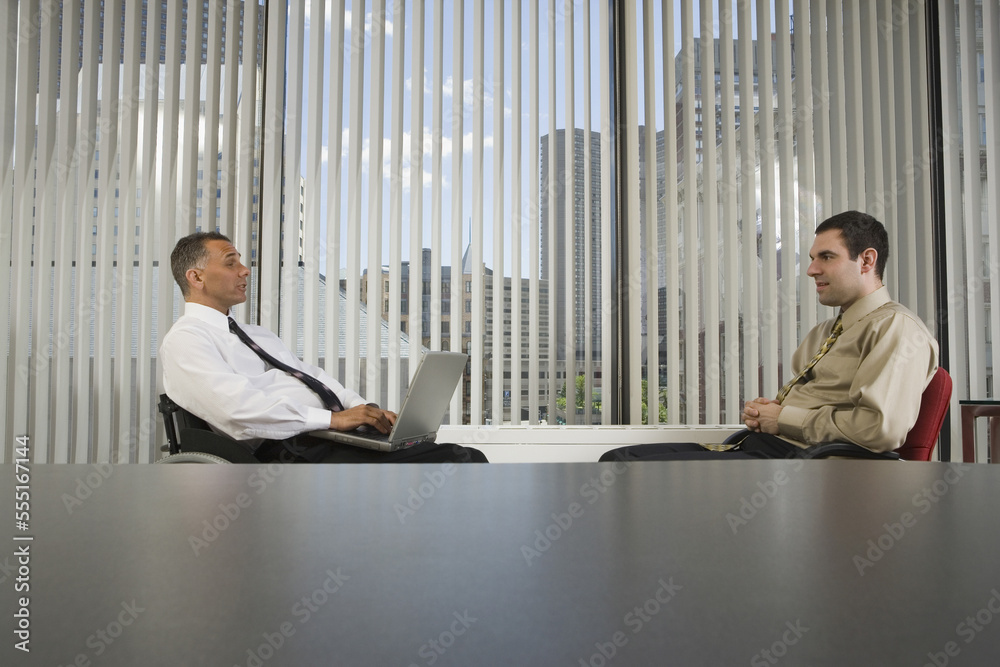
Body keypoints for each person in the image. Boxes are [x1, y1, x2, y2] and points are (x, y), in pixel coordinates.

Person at [600, 211, 939, 461]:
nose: (811, 270)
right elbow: (809, 404)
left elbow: (879, 430)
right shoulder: (824, 332)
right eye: (811, 258)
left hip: (806, 464)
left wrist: (784, 419)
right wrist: (769, 412)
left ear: (866, 261)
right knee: (617, 459)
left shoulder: (895, 328)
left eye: (826, 257)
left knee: (625, 467)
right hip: (768, 449)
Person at [161, 231, 487, 463]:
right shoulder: (187, 340)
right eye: (231, 262)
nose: (245, 270)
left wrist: (365, 413)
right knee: (459, 462)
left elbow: (312, 376)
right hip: (288, 453)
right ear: (197, 277)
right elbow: (237, 410)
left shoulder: (256, 335)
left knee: (466, 456)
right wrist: (333, 421)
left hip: (321, 437)